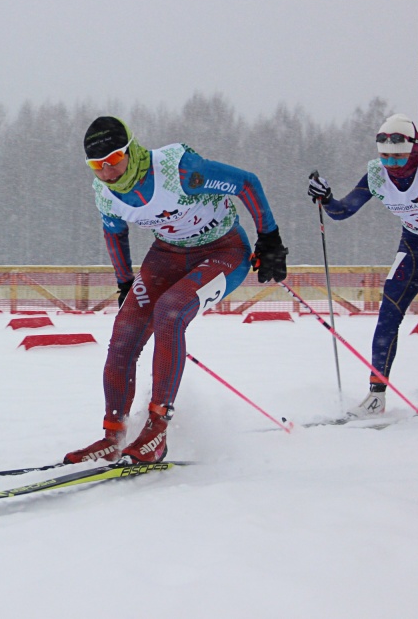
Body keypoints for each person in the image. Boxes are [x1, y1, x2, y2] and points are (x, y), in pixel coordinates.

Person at [64, 116, 287, 465]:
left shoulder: (177, 170)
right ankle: (113, 434)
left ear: (130, 151)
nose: (108, 173)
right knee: (125, 329)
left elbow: (246, 183)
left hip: (224, 251)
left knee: (170, 311)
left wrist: (269, 238)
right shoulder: (104, 192)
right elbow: (114, 233)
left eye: (114, 161)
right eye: (97, 166)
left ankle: (157, 430)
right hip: (167, 255)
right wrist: (125, 283)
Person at [308, 114, 418, 419]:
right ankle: (376, 396)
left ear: (414, 150)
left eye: (399, 158)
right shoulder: (376, 175)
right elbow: (343, 211)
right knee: (389, 309)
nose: (392, 165)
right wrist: (326, 199)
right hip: (417, 245)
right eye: (386, 157)